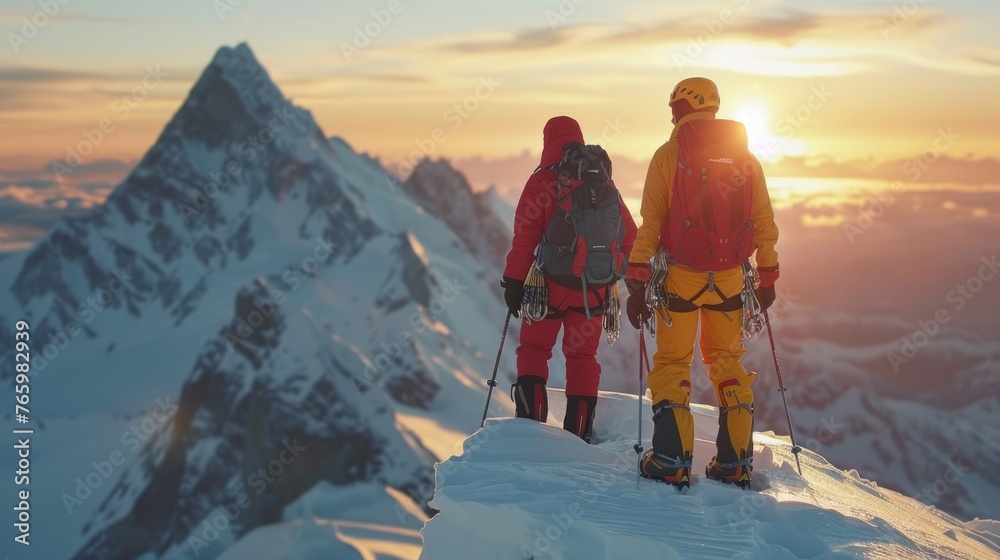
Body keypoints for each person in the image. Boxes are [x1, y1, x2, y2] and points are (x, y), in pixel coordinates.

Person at [625, 78, 780, 489]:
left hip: (679, 277)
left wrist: (638, 279)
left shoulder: (669, 154)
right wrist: (768, 275)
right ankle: (735, 463)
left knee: (674, 363)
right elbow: (763, 222)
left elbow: (652, 222)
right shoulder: (745, 156)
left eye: (672, 105)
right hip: (731, 279)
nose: (671, 113)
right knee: (727, 360)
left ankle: (672, 460)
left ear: (681, 106)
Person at [502, 116, 637, 443]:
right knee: (582, 358)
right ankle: (579, 434)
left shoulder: (542, 182)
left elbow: (525, 238)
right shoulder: (603, 184)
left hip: (548, 287)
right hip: (593, 288)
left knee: (534, 348)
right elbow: (630, 234)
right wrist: (629, 279)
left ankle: (530, 430)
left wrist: (513, 281)